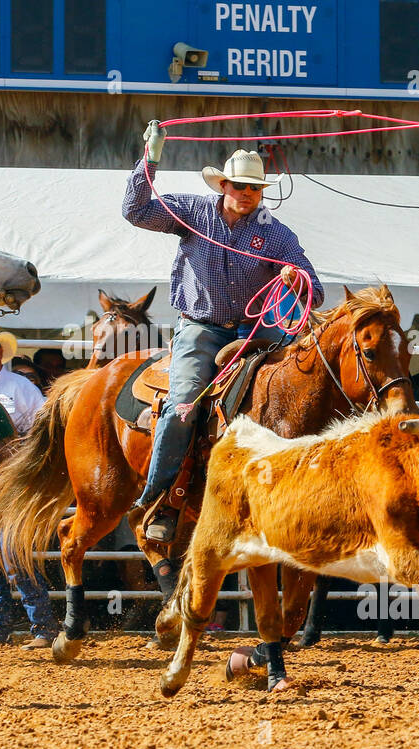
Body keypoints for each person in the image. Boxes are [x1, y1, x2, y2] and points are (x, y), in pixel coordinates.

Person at [122, 125, 324, 545]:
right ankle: (161, 500)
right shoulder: (192, 213)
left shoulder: (276, 234)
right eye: (240, 185)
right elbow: (136, 211)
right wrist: (150, 159)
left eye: (255, 187)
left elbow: (315, 290)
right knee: (183, 406)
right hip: (201, 328)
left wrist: (296, 278)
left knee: (297, 396)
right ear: (224, 184)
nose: (248, 193)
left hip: (258, 334)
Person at [0, 320, 57, 649]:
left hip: (12, 480)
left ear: (1, 352)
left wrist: (20, 455)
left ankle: (43, 628)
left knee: (13, 554)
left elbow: (43, 430)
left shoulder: (21, 387)